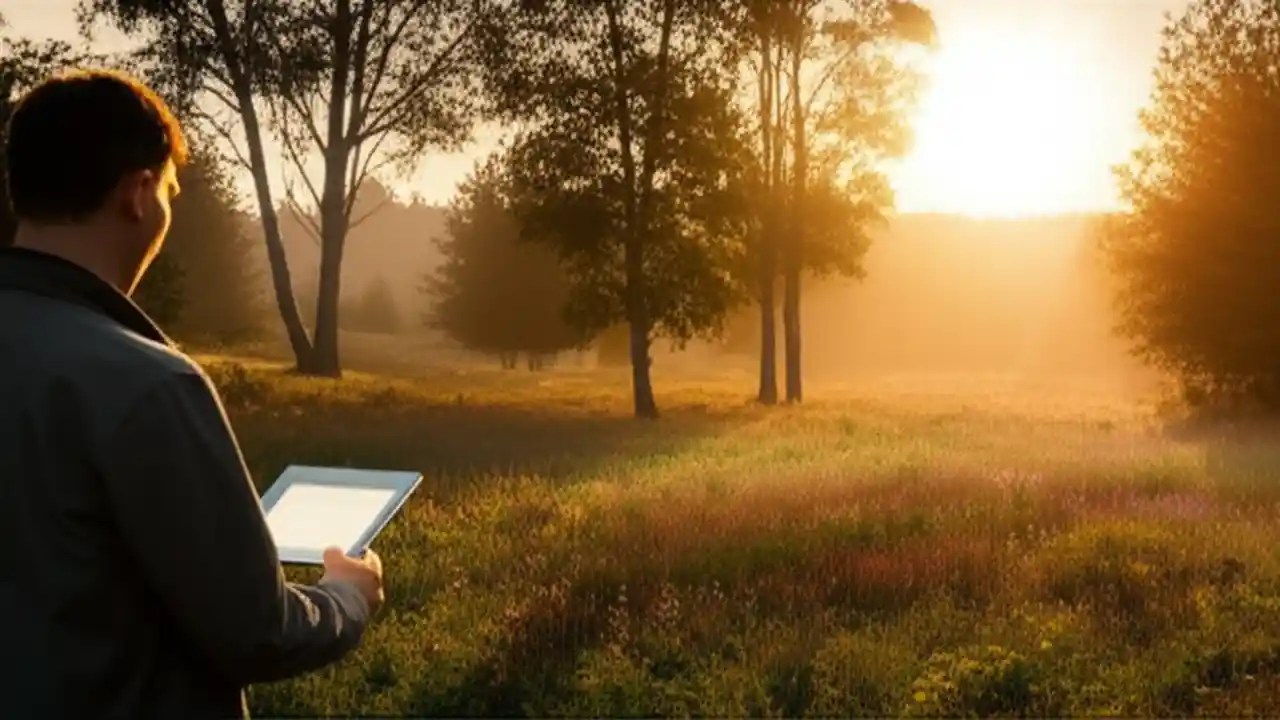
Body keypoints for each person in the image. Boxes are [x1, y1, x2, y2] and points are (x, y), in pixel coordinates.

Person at [0, 70, 385, 719]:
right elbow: (256, 632)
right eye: (172, 190)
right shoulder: (148, 384)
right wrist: (346, 596)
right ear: (139, 194)